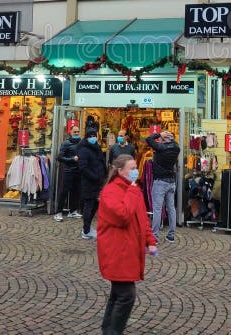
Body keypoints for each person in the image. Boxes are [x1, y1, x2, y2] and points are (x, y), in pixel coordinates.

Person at [97, 154, 157, 335]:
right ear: (120, 171)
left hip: (128, 250)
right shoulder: (111, 191)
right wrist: (132, 191)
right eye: (132, 168)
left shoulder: (134, 189)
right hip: (117, 251)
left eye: (135, 167)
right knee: (126, 295)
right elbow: (123, 215)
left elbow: (142, 218)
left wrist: (150, 241)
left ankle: (108, 329)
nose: (135, 171)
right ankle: (112, 331)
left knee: (118, 293)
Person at [145, 130, 180, 243]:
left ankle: (154, 237)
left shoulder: (161, 148)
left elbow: (148, 139)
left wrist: (159, 134)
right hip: (171, 182)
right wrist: (166, 137)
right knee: (171, 209)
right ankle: (171, 235)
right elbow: (172, 143)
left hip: (160, 182)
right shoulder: (176, 148)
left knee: (157, 209)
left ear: (164, 139)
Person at [77, 128, 107, 239]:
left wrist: (104, 175)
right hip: (89, 183)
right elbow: (83, 168)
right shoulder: (84, 150)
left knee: (95, 205)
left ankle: (88, 227)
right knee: (89, 206)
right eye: (90, 136)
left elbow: (101, 163)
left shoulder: (97, 148)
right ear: (86, 137)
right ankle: (86, 231)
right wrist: (95, 177)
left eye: (94, 136)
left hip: (98, 183)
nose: (93, 138)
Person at [53, 124, 82, 222]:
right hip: (69, 171)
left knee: (76, 191)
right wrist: (72, 159)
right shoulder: (66, 143)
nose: (76, 133)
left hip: (78, 171)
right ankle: (58, 213)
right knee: (64, 192)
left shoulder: (81, 143)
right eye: (75, 132)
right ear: (70, 132)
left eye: (78, 132)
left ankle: (72, 211)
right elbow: (59, 157)